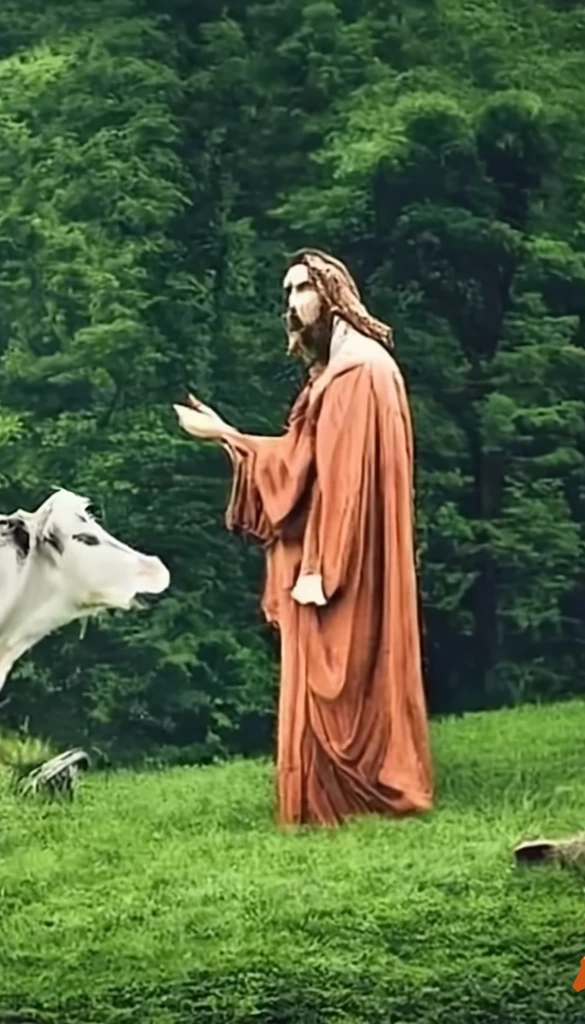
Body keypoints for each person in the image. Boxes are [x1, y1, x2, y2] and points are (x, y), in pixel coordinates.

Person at [173, 248, 434, 827]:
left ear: (332, 293)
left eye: (301, 291)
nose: (291, 307)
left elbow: (336, 482)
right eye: (286, 295)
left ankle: (352, 794)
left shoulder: (354, 375)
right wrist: (228, 435)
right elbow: (308, 462)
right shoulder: (356, 369)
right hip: (352, 553)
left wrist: (321, 568)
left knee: (334, 675)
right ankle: (353, 795)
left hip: (339, 562)